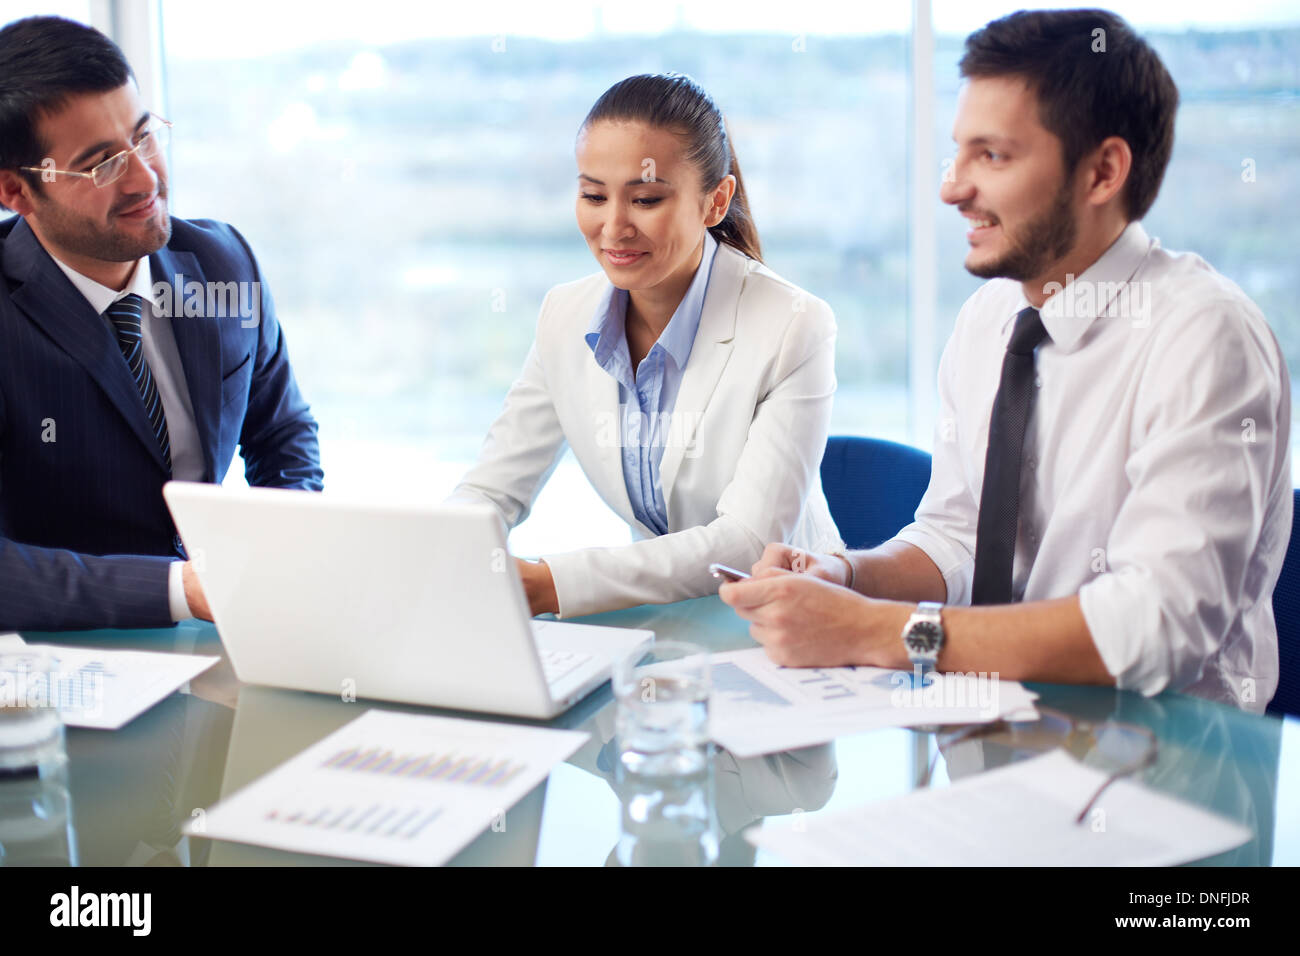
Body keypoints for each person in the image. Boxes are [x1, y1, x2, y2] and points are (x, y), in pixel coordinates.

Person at [720, 8, 1291, 713]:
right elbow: (957, 539)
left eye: (992, 156)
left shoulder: (1204, 335)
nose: (951, 188)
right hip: (997, 743)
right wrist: (845, 577)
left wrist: (879, 631)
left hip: (1163, 779)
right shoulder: (991, 320)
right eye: (957, 152)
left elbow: (1159, 625)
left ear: (1104, 171)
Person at [450, 73, 842, 619]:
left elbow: (747, 543)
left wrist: (548, 585)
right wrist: (449, 550)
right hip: (655, 617)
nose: (614, 227)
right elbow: (493, 489)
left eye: (646, 199)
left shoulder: (793, 325)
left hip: (781, 619)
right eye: (592, 195)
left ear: (715, 202)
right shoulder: (563, 317)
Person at [0, 16, 322, 630]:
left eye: (144, 138)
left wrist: (280, 555)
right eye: (99, 166)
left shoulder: (221, 261)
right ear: (16, 191)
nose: (146, 179)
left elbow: (282, 435)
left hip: (228, 629)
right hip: (63, 659)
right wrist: (181, 589)